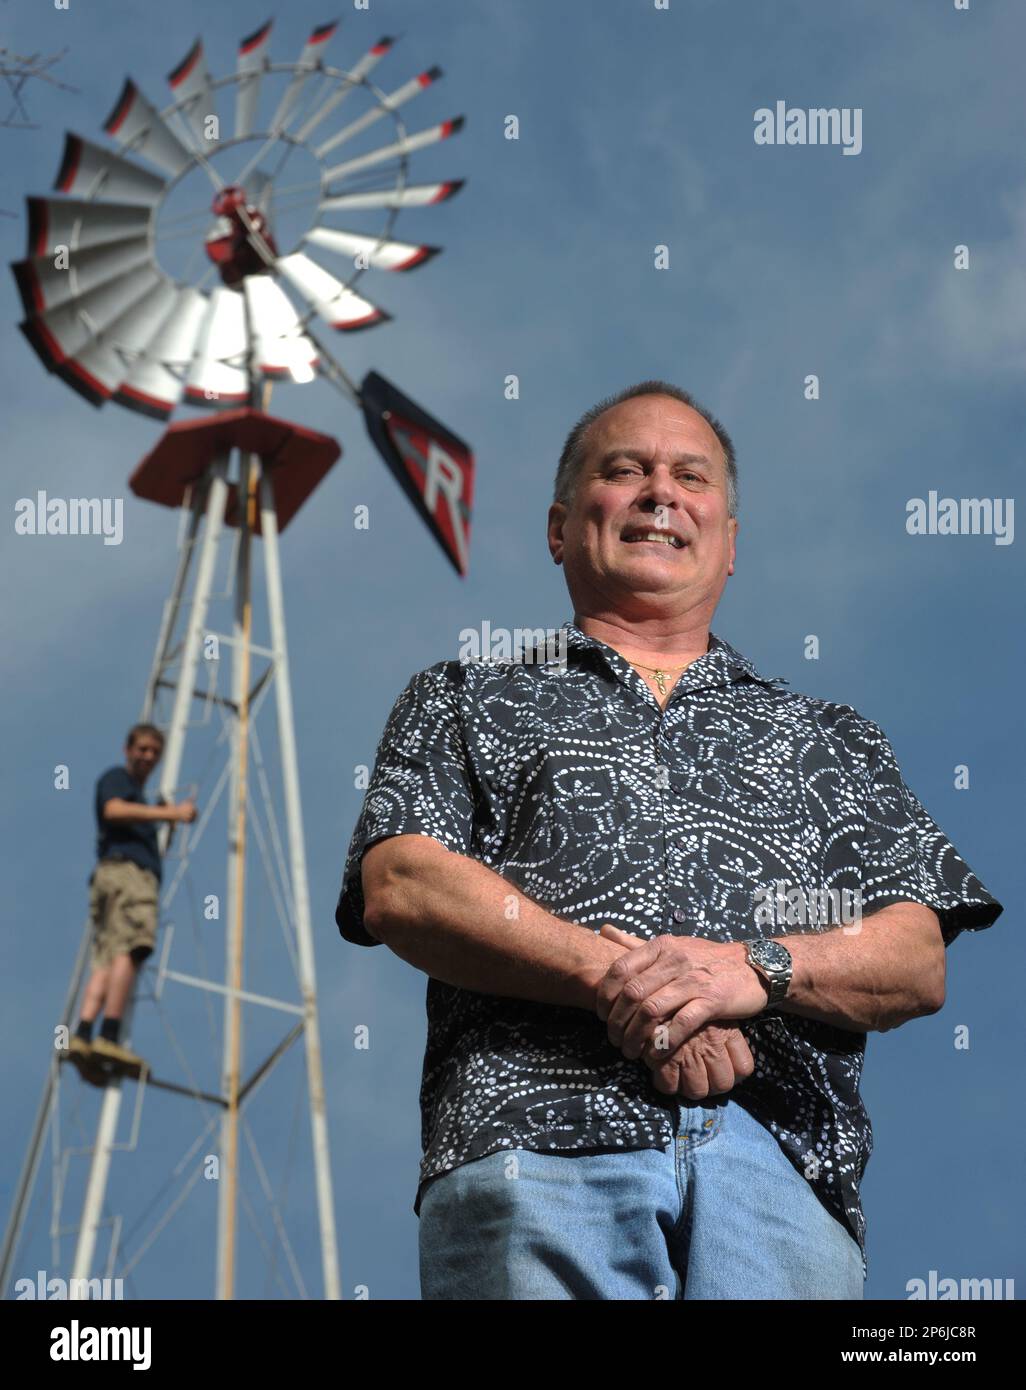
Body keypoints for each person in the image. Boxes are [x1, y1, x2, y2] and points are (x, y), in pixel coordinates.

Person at [334, 380, 1003, 1300]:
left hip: (779, 1173)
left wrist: (745, 970)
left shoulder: (829, 736)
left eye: (692, 477)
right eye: (625, 470)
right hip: (533, 1145)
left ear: (729, 544)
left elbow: (913, 956)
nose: (661, 492)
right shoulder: (462, 694)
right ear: (561, 528)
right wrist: (627, 986)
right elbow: (403, 883)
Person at [67, 724, 197, 1084]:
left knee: (106, 958)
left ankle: (82, 1036)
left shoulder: (139, 797)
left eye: (155, 751)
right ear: (127, 749)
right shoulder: (117, 779)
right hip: (128, 876)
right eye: (142, 749)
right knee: (132, 948)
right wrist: (172, 815)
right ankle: (109, 1037)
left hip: (111, 879)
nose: (148, 756)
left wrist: (159, 815)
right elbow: (112, 809)